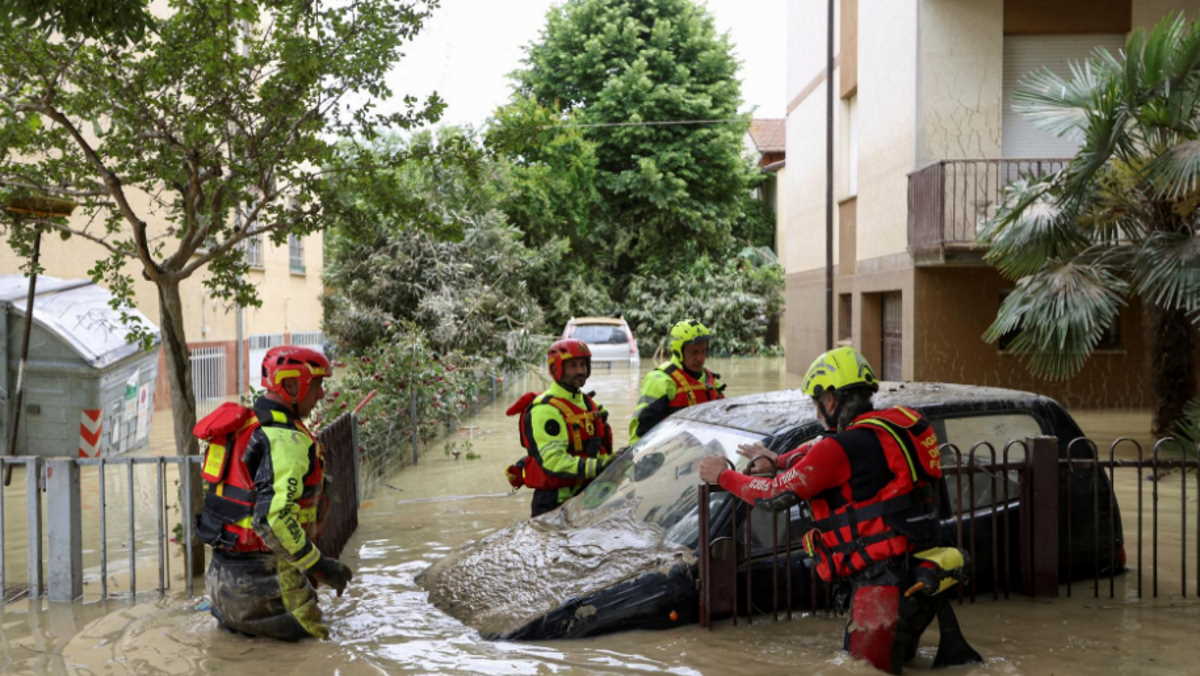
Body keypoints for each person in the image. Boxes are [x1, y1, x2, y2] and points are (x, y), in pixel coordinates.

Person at [698, 346, 981, 674]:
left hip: (880, 586)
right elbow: (820, 450)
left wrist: (723, 475)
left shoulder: (841, 448)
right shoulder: (892, 428)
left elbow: (774, 496)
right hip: (918, 572)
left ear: (830, 400)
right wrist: (778, 459)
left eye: (816, 403)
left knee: (863, 669)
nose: (816, 411)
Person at [194, 345, 353, 641]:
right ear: (292, 384)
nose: (321, 394)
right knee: (319, 650)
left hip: (220, 585)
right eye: (317, 384)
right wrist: (319, 565)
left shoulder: (245, 427)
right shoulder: (285, 440)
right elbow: (273, 519)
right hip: (267, 586)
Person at [505, 338, 615, 517]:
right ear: (557, 369)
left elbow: (599, 451)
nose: (580, 371)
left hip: (586, 497)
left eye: (583, 365)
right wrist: (600, 466)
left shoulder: (588, 404)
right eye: (573, 366)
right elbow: (554, 461)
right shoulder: (545, 409)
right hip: (554, 503)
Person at [628, 319, 725, 444]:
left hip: (702, 451)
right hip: (671, 454)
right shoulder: (661, 380)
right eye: (694, 352)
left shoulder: (710, 381)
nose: (700, 358)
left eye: (704, 351)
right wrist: (639, 456)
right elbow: (640, 428)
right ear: (679, 351)